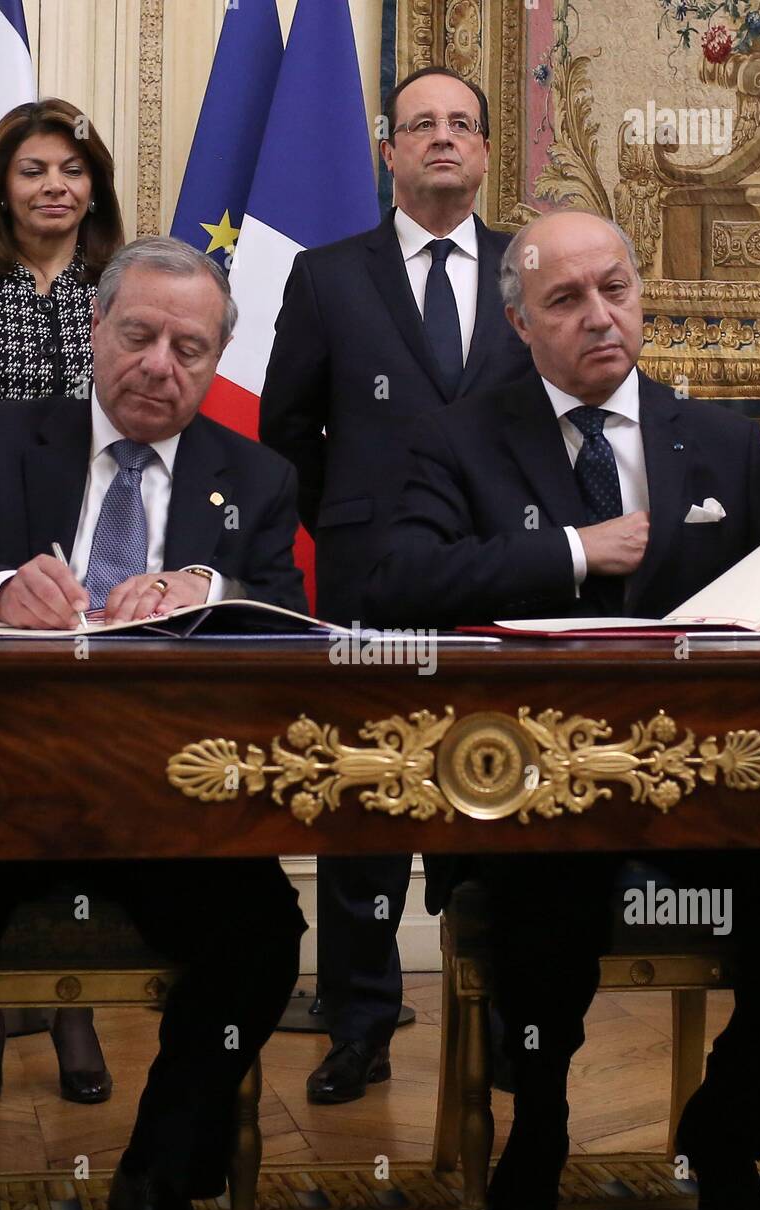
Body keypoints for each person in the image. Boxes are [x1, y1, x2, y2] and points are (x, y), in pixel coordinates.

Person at [366, 208, 760, 1210]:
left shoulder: (717, 441)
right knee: (543, 907)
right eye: (565, 300)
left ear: (640, 299)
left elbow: (754, 617)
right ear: (521, 324)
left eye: (613, 289)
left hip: (711, 791)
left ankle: (723, 1126)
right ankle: (541, 1128)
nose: (598, 316)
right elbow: (397, 583)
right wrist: (571, 551)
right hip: (531, 782)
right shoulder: (457, 437)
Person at [0, 236, 308, 1210]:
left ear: (215, 362)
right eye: (140, 336)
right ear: (95, 328)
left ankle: (160, 1176)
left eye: (189, 349)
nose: (160, 366)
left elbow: (289, 615)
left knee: (258, 939)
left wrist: (213, 591)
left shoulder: (255, 476)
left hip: (170, 802)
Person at [260, 67, 530, 1104]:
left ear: (487, 150)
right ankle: (360, 1020)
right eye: (420, 125)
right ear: (388, 151)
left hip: (504, 581)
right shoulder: (329, 275)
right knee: (365, 802)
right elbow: (288, 432)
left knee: (503, 789)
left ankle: (506, 1015)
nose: (442, 139)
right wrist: (355, 524)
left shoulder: (528, 266)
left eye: (461, 123)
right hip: (368, 582)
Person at [0, 97, 125, 1106]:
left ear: (92, 182)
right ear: (1, 188)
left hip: (105, 563)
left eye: (70, 168)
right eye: (32, 170)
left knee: (78, 782)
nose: (54, 184)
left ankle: (72, 1003)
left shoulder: (121, 284)